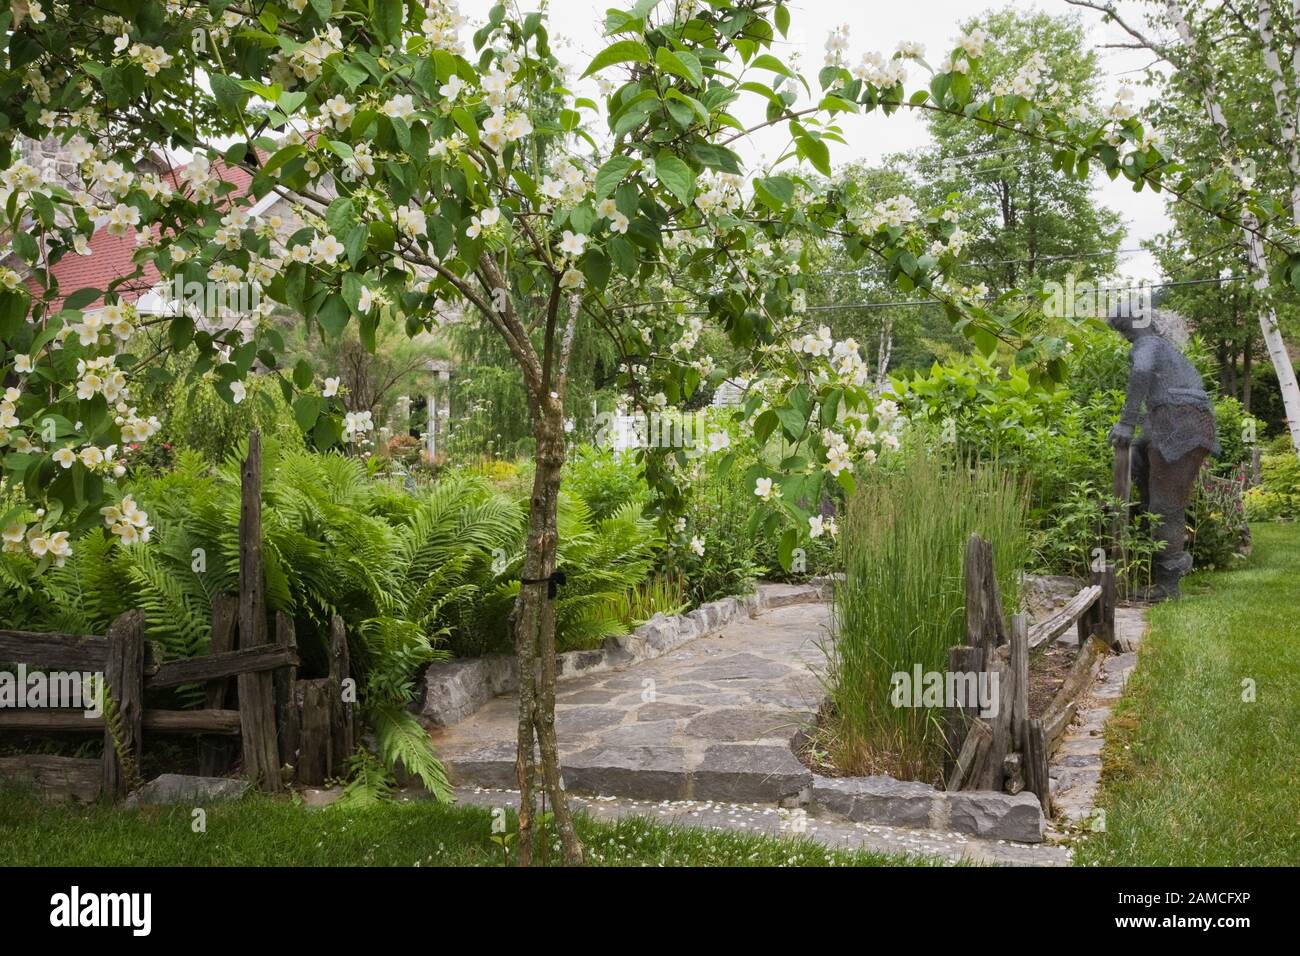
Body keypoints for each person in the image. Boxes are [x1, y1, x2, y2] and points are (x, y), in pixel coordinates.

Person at [1107, 301, 1219, 600]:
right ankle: (1151, 517)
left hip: (1181, 425)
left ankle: (1168, 584)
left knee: (1165, 505)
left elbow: (1141, 372)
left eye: (1124, 327)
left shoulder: (1148, 344)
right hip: (1177, 422)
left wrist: (1126, 423)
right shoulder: (1162, 348)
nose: (1124, 335)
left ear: (1137, 321)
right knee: (1139, 460)